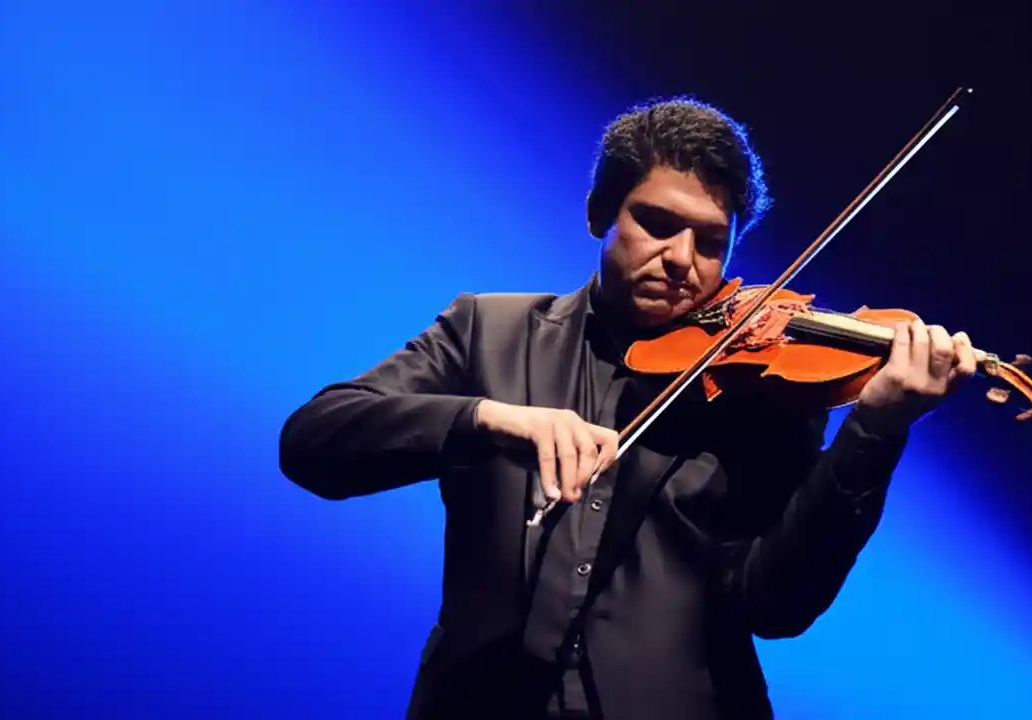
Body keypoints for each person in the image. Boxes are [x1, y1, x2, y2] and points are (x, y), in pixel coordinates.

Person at [278, 96, 977, 720]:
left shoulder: (764, 385)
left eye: (710, 241)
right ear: (599, 215)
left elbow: (777, 605)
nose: (682, 260)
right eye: (657, 224)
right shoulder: (487, 331)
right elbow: (315, 441)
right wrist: (488, 419)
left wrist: (873, 432)